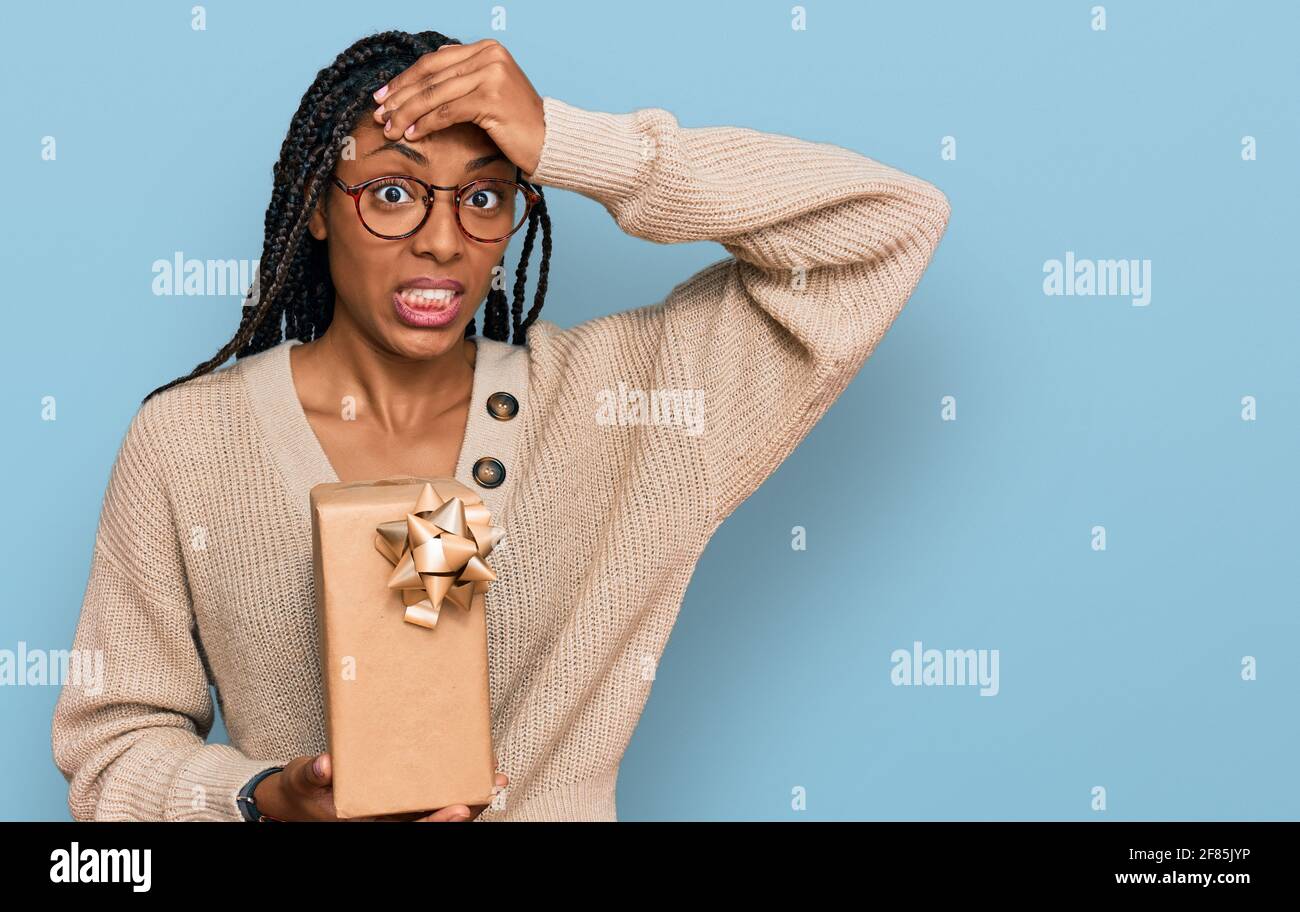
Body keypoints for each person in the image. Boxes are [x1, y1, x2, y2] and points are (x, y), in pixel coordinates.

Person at [51, 29, 951, 821]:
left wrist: (578, 144)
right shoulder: (186, 443)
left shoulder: (632, 409)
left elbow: (890, 224)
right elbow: (111, 752)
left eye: (483, 197)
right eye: (394, 194)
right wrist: (262, 803)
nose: (444, 241)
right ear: (321, 207)